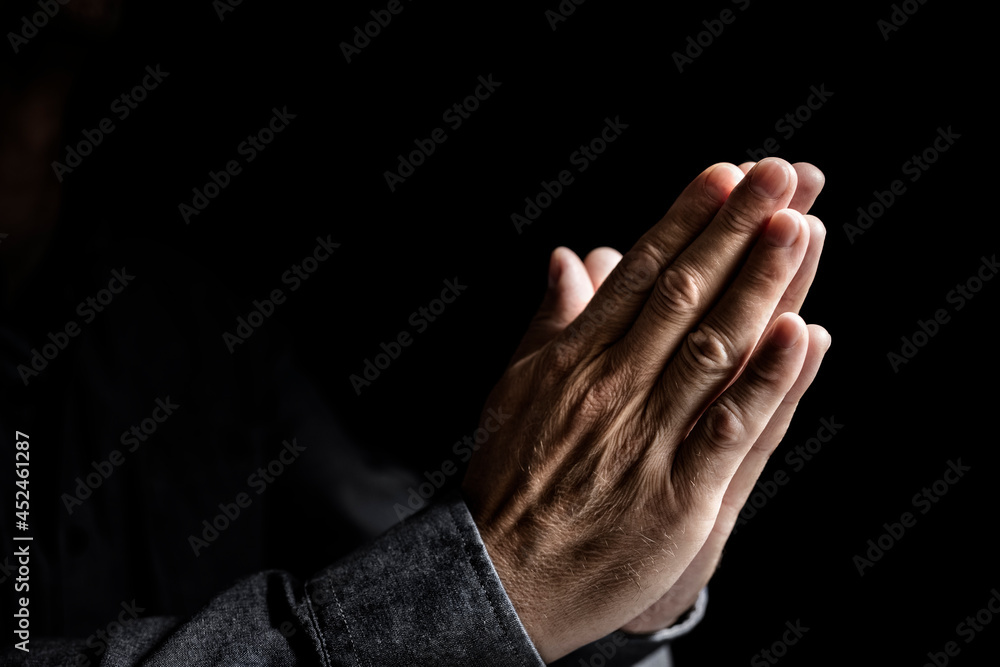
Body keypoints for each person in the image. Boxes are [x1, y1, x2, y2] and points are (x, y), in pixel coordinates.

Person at [1, 4, 831, 665]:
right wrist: (502, 580)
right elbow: (481, 581)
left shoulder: (180, 317)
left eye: (45, 62)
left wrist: (614, 599)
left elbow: (397, 537)